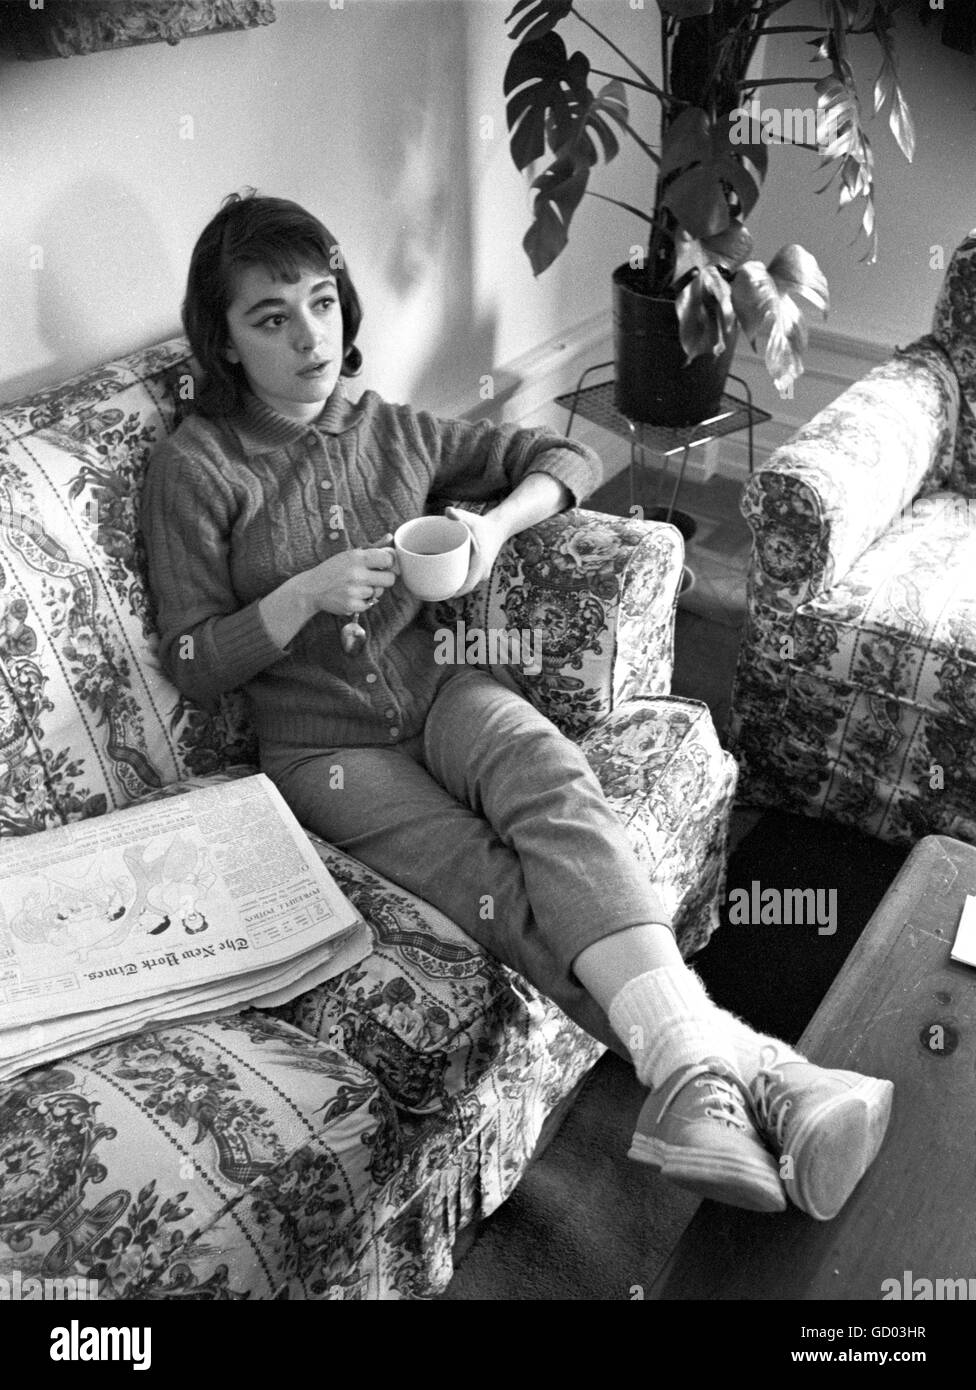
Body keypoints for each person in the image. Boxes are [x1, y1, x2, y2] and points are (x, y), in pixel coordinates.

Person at [141, 191, 894, 1220]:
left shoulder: (392, 429)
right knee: (486, 875)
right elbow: (190, 655)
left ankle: (692, 1076)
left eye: (321, 302)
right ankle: (759, 1073)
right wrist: (295, 598)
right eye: (270, 317)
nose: (309, 335)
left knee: (554, 782)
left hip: (444, 682)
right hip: (322, 750)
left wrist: (494, 529)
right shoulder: (196, 465)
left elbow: (566, 456)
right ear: (223, 340)